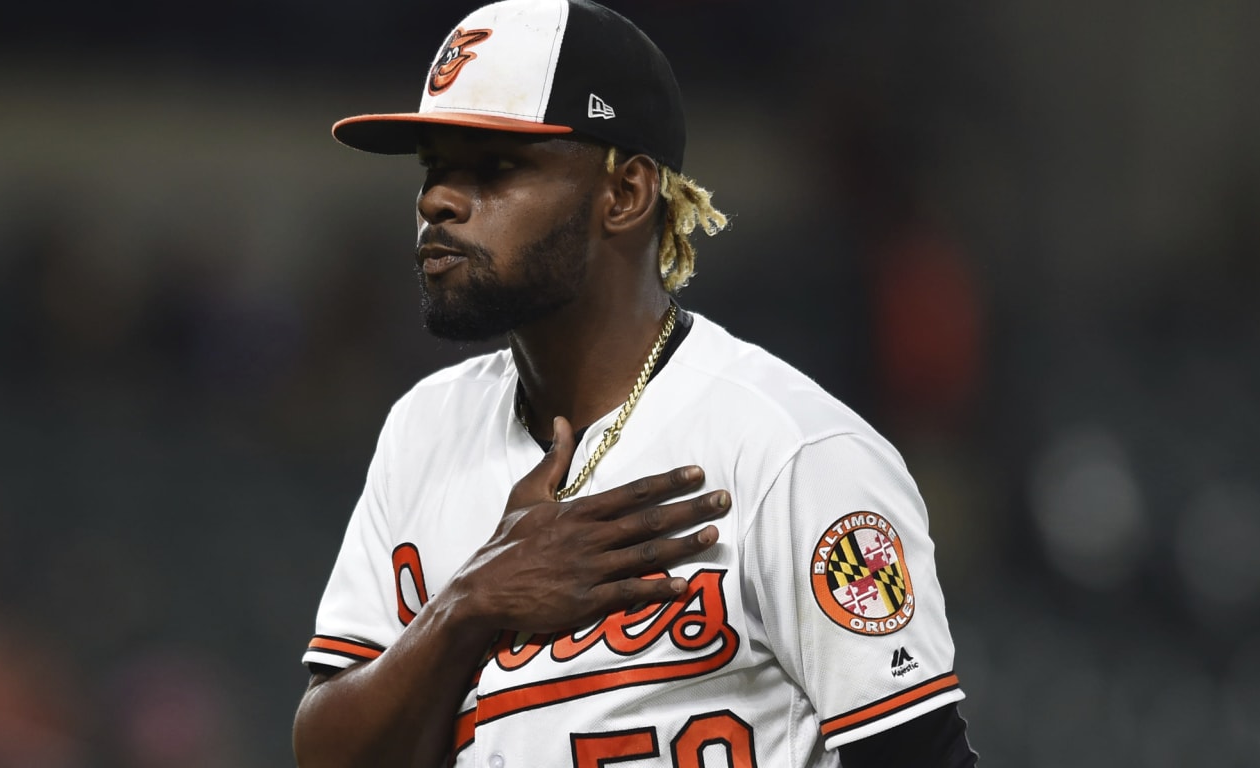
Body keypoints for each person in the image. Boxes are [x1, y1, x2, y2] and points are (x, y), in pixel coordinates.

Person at [293, 1, 977, 766]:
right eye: (435, 168)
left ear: (625, 194)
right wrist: (469, 604)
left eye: (493, 167)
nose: (437, 201)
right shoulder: (423, 430)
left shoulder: (795, 452)